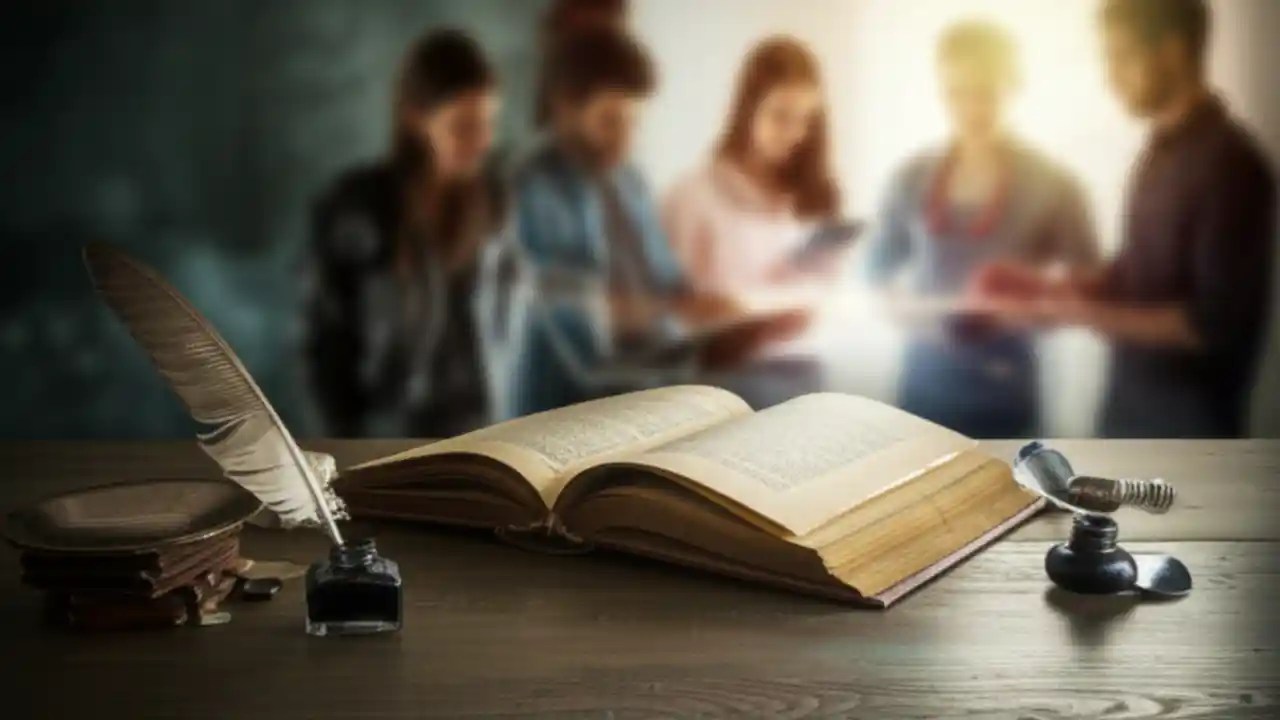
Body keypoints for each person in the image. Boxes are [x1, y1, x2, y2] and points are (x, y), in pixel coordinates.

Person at [971, 0, 1276, 438]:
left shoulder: (1232, 164)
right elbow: (1137, 276)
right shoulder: (1156, 154)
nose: (1109, 77)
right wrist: (1045, 291)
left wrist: (1080, 312)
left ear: (1170, 51)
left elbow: (1211, 324)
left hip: (1189, 438)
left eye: (1120, 55)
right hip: (1127, 419)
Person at [510, 28, 805, 415]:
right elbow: (577, 318)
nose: (624, 140)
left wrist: (729, 318)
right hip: (577, 405)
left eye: (632, 123)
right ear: (565, 108)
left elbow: (670, 285)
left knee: (797, 386)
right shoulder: (532, 187)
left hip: (654, 380)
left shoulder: (629, 181)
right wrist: (673, 313)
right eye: (609, 121)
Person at [863, 20, 1099, 438]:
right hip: (922, 399)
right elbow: (876, 274)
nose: (973, 108)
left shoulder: (1052, 184)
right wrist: (916, 315)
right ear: (940, 92)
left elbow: (1089, 289)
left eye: (986, 92)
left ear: (1013, 86)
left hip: (1006, 403)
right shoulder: (911, 178)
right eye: (958, 93)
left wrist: (1030, 310)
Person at [303, 29, 522, 437]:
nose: (481, 142)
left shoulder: (496, 202)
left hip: (484, 434)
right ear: (417, 119)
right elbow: (327, 347)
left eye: (487, 124)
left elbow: (510, 327)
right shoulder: (361, 208)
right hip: (385, 438)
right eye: (462, 126)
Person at [663, 36, 845, 407]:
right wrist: (733, 313)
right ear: (747, 109)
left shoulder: (807, 195)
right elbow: (671, 307)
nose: (796, 134)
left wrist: (806, 295)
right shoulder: (694, 193)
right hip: (730, 382)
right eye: (781, 116)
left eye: (805, 120)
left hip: (806, 373)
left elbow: (820, 292)